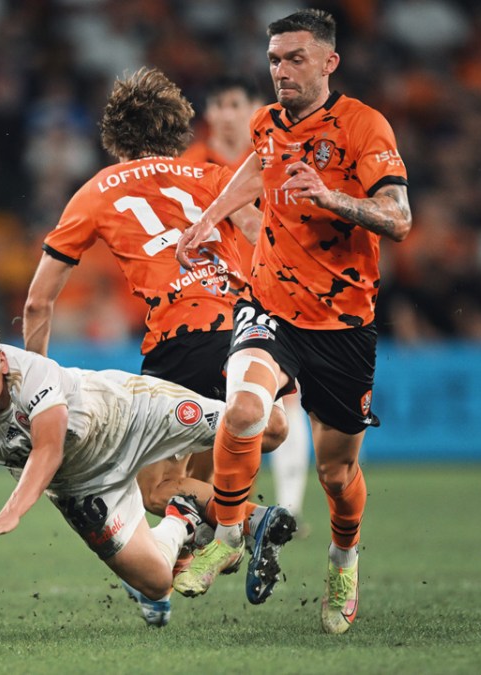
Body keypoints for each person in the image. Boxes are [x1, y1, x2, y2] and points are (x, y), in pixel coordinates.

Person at [173, 9, 413, 635]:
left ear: (329, 62)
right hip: (270, 304)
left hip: (343, 324)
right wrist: (208, 221)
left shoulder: (363, 126)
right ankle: (227, 532)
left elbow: (400, 218)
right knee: (246, 408)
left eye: (295, 58)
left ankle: (343, 560)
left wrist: (330, 197)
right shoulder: (268, 123)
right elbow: (259, 164)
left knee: (337, 473)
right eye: (275, 59)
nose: (281, 70)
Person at [22, 68, 296, 605]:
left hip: (180, 341)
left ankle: (247, 521)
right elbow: (265, 240)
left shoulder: (96, 190)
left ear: (115, 136)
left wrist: (37, 390)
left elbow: (37, 300)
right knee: (243, 437)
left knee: (157, 487)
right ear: (175, 127)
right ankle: (207, 532)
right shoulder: (212, 176)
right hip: (247, 331)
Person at [0, 309, 275, 627]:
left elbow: (48, 448)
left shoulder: (30, 373)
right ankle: (182, 520)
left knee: (268, 428)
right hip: (84, 486)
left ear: (1, 360)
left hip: (131, 413)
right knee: (158, 584)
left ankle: (251, 522)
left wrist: (11, 512)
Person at [182, 74, 313, 533]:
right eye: (219, 103)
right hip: (212, 300)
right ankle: (212, 509)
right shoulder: (193, 165)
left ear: (254, 107)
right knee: (215, 409)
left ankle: (289, 509)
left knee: (288, 400)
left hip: (267, 296)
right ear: (209, 114)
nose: (228, 112)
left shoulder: (278, 159)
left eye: (236, 102)